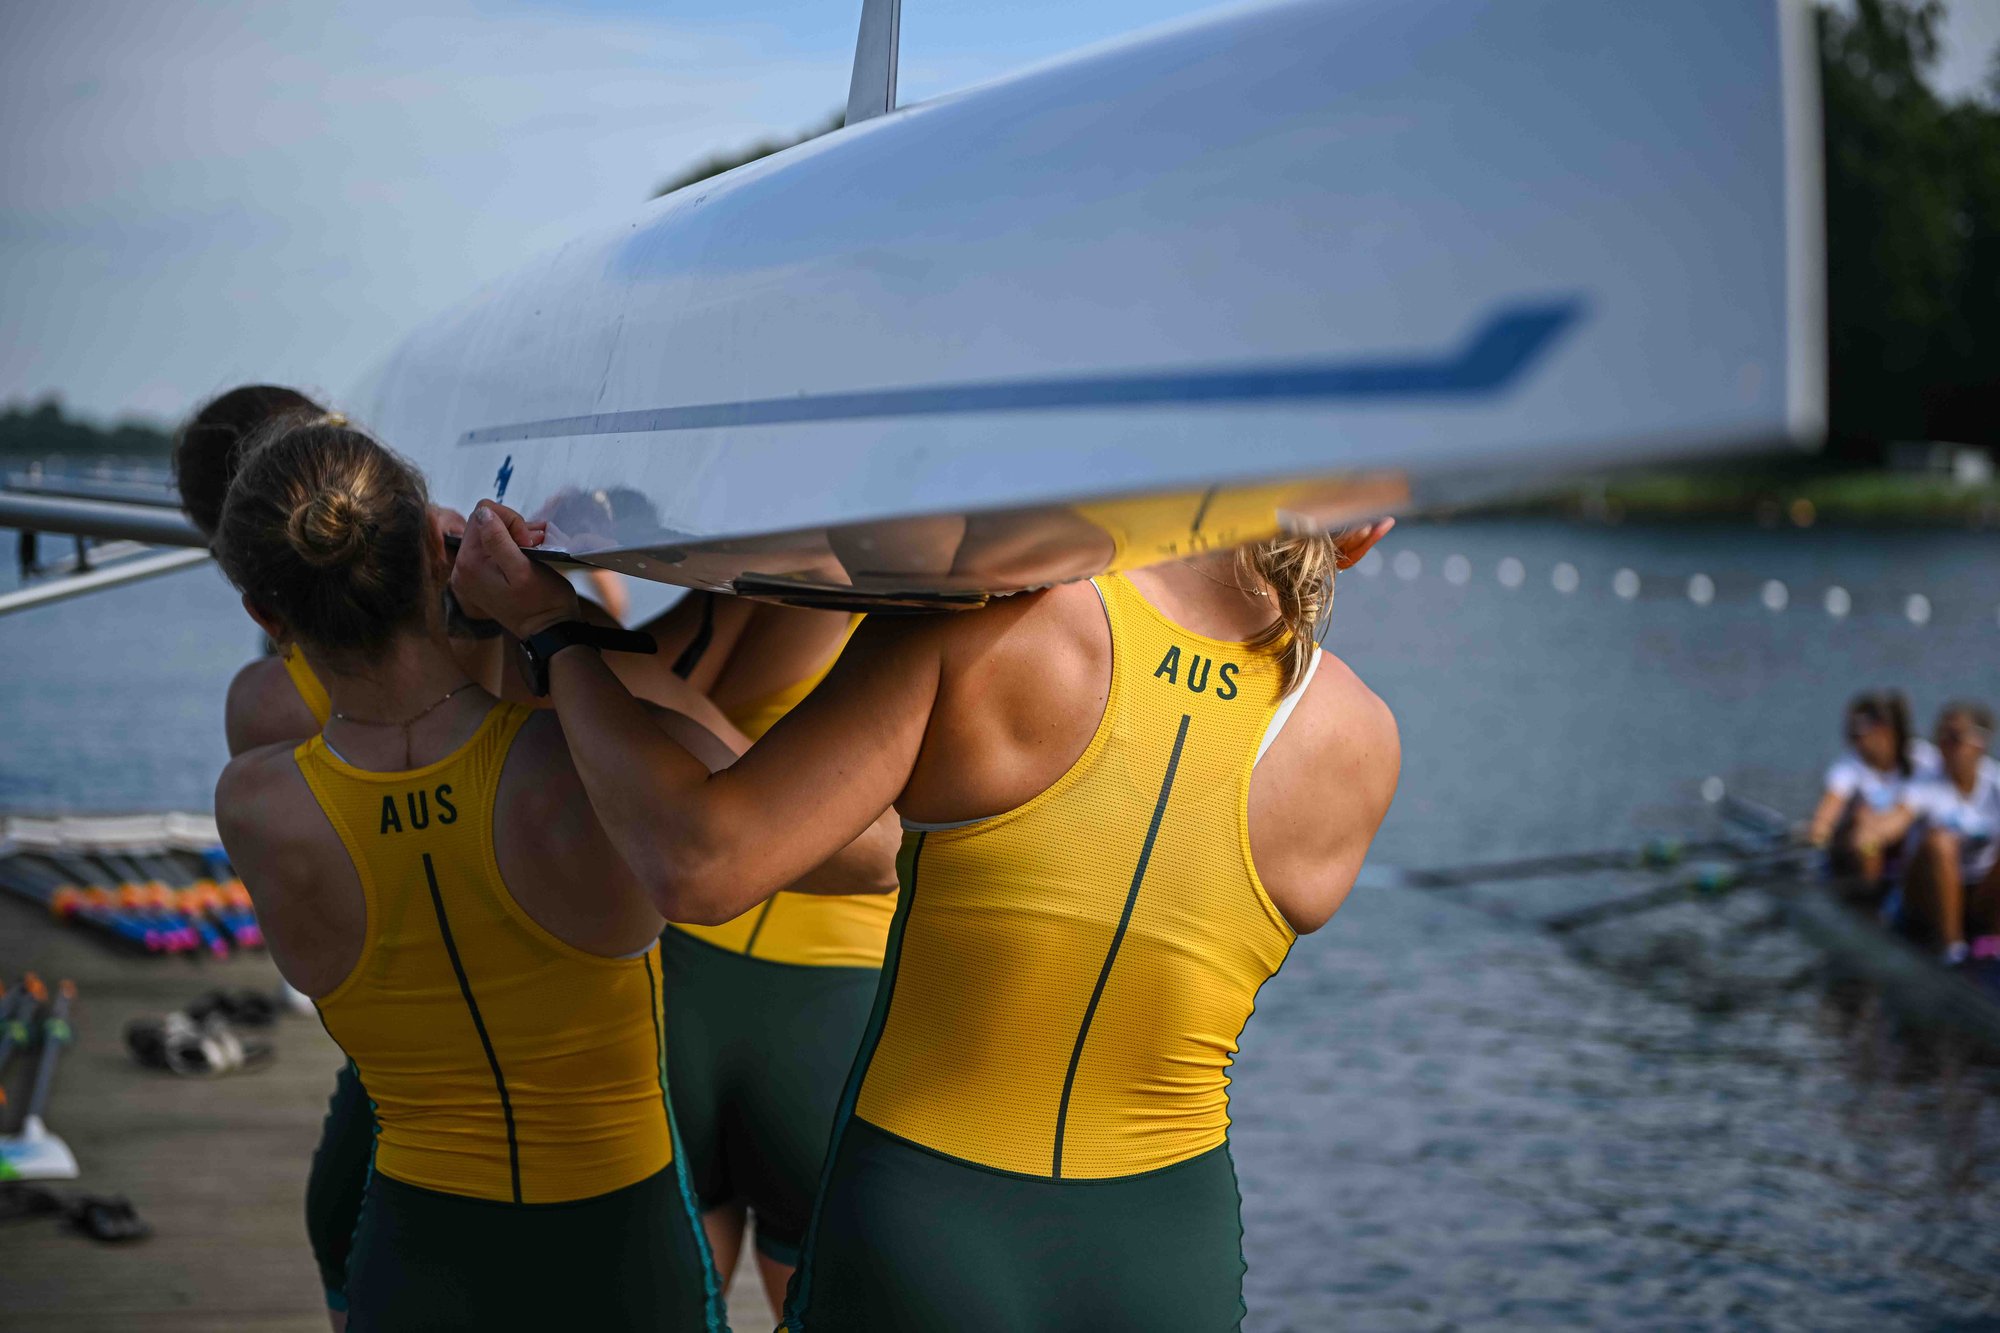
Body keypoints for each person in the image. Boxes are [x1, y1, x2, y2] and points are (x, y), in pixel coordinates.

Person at [455, 499, 1400, 1331]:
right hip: (1168, 1257)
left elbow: (701, 863)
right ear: (1365, 527)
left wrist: (554, 632)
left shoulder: (1004, 617)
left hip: (931, 1227)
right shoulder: (1362, 741)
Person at [209, 417, 897, 1330]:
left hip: (417, 1252)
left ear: (264, 611)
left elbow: (416, 766)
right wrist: (553, 623)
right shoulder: (575, 769)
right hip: (619, 1249)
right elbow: (873, 850)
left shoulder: (256, 804)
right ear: (432, 547)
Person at [638, 597, 886, 1315]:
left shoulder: (794, 581)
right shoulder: (983, 615)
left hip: (685, 989)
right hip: (837, 1020)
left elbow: (640, 685)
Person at [1898, 702, 2000, 965]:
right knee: (1940, 842)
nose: (1944, 744)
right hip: (1923, 897)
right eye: (1940, 737)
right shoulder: (1925, 783)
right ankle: (1953, 949)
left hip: (1978, 894)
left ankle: (1993, 940)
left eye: (1954, 737)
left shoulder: (1995, 782)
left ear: (1980, 743)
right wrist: (1868, 841)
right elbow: (1895, 819)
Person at [1806, 690, 1939, 891]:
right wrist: (1819, 832)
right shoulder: (1848, 766)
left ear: (1886, 731)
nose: (1851, 740)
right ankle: (1870, 895)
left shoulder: (1925, 758)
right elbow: (1828, 812)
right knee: (1865, 824)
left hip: (1913, 847)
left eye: (1857, 733)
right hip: (1866, 849)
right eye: (1850, 732)